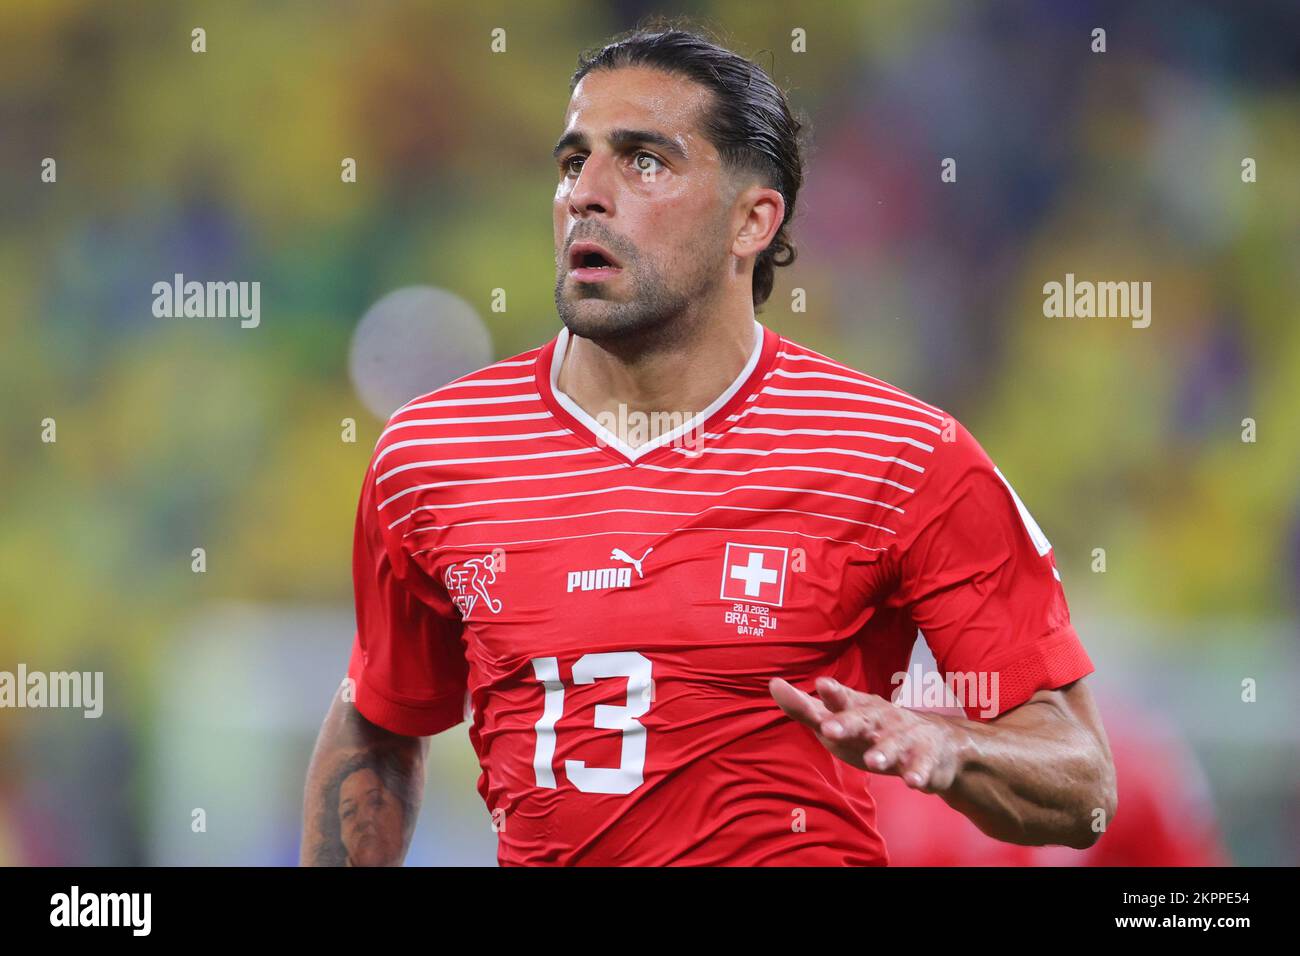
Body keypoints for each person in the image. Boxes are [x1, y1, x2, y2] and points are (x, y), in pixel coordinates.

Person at [301, 25, 1115, 866]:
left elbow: (1083, 786)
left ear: (751, 221)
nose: (587, 192)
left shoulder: (903, 457)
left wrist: (950, 746)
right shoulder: (432, 454)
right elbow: (381, 720)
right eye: (574, 161)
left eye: (644, 159)